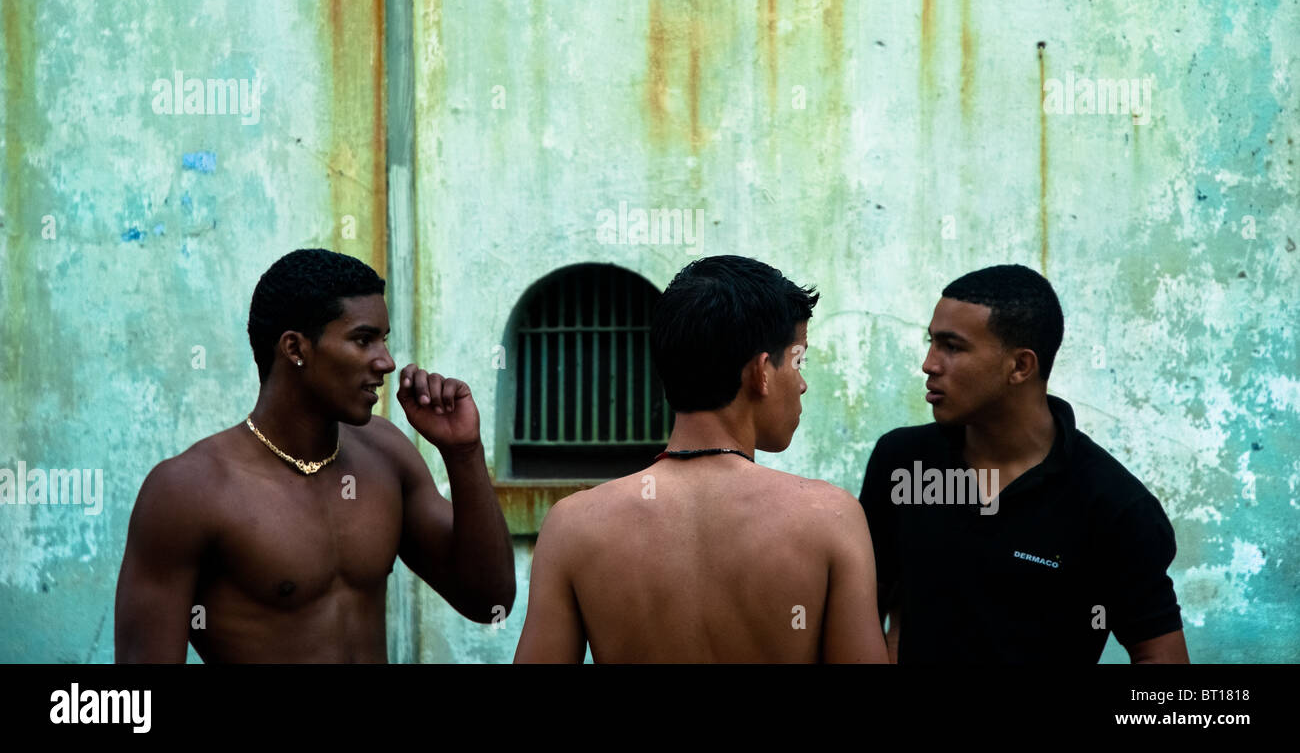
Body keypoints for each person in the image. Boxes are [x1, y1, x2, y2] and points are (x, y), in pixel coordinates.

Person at [115, 248, 515, 662]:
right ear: (295, 348)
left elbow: (489, 602)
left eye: (385, 339)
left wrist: (464, 452)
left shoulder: (386, 454)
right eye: (364, 340)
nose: (388, 362)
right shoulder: (190, 490)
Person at [514, 255, 888, 663]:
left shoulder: (573, 526)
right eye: (798, 361)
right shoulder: (830, 518)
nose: (801, 384)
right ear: (761, 372)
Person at [860, 264, 1188, 663]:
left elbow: (1160, 655)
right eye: (931, 343)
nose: (929, 364)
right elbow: (864, 608)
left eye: (952, 346)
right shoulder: (903, 462)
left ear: (1020, 366)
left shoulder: (1113, 505)